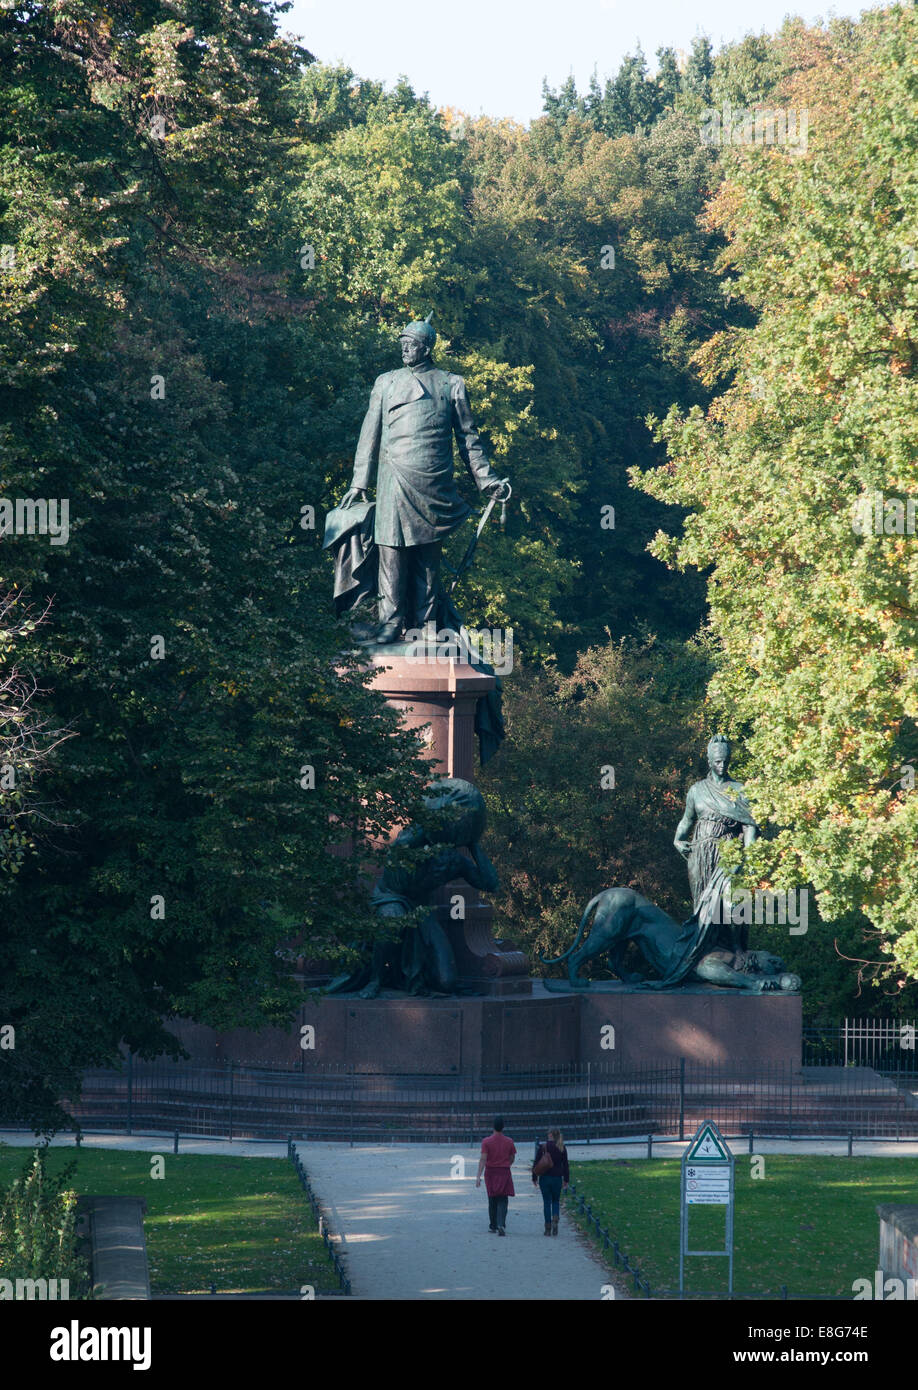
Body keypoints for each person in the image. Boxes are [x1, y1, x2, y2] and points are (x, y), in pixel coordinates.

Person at [338, 314, 511, 643]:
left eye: (411, 345)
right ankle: (389, 622)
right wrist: (359, 481)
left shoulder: (451, 383)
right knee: (391, 551)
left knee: (428, 558)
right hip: (392, 479)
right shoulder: (385, 382)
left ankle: (427, 625)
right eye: (402, 344)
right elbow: (369, 434)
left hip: (432, 483)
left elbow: (468, 440)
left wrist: (487, 481)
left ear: (427, 348)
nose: (404, 350)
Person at [476, 1116, 516, 1235]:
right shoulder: (509, 1141)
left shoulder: (486, 1141)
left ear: (493, 1126)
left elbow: (483, 1159)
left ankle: (493, 1225)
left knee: (492, 1198)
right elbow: (512, 1157)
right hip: (504, 1171)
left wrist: (478, 1176)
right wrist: (507, 1164)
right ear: (503, 1127)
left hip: (491, 1172)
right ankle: (501, 1223)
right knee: (503, 1199)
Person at [532, 1127, 569, 1236]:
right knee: (556, 1201)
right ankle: (556, 1217)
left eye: (548, 1134)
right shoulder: (562, 1147)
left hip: (545, 1178)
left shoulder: (543, 1147)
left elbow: (536, 1163)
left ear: (551, 1135)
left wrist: (534, 1177)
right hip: (557, 1178)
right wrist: (566, 1179)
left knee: (547, 1202)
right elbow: (566, 1165)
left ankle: (547, 1228)